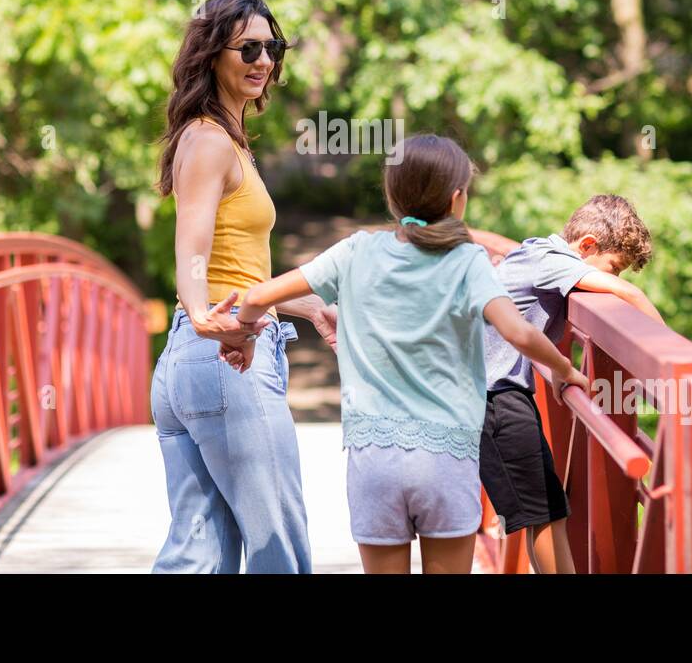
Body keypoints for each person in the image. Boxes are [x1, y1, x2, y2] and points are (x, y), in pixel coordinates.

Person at [224, 134, 588, 573]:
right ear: (457, 200)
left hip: (374, 459)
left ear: (393, 196)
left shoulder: (355, 251)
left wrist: (243, 337)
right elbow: (519, 334)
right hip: (445, 458)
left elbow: (259, 295)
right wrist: (565, 369)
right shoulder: (468, 262)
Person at [150, 0, 336, 574]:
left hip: (198, 360)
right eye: (249, 48)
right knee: (280, 547)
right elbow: (193, 249)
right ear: (211, 56)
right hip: (227, 358)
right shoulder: (207, 140)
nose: (264, 61)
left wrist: (306, 305)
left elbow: (239, 261)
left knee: (199, 555)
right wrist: (206, 316)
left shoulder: (223, 140)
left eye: (272, 48)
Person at [468, 195, 665, 573]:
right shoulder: (551, 261)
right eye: (614, 268)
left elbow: (531, 319)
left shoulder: (536, 253)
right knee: (540, 511)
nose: (614, 280)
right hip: (493, 398)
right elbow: (630, 294)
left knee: (547, 508)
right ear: (588, 245)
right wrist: (667, 359)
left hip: (493, 393)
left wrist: (556, 367)